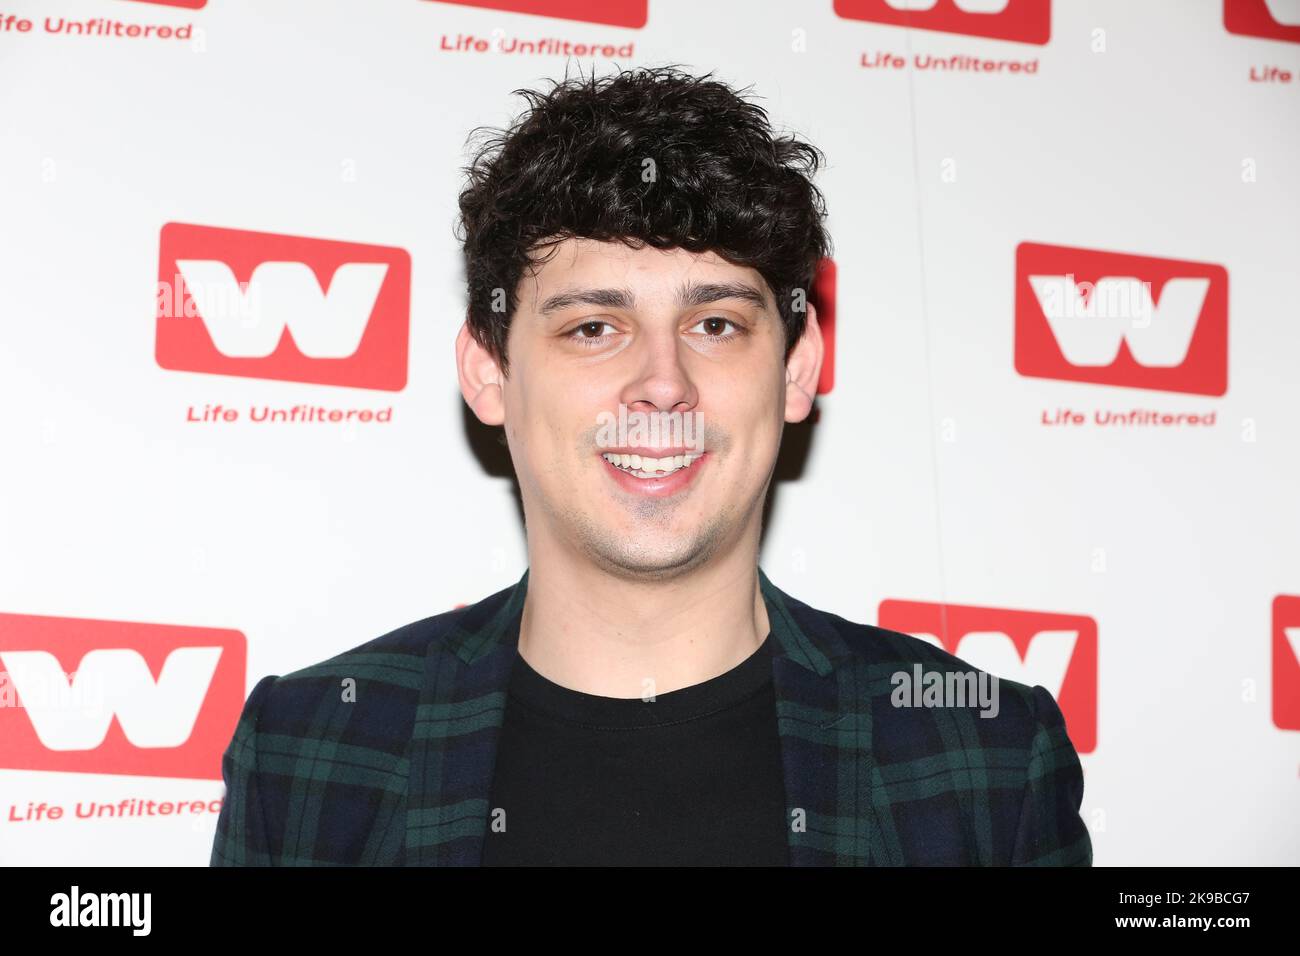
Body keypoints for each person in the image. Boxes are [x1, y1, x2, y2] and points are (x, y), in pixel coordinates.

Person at [210, 64, 1092, 867]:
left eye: (716, 324)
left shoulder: (985, 762)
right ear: (489, 373)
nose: (663, 384)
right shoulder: (312, 757)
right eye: (593, 327)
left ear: (796, 368)